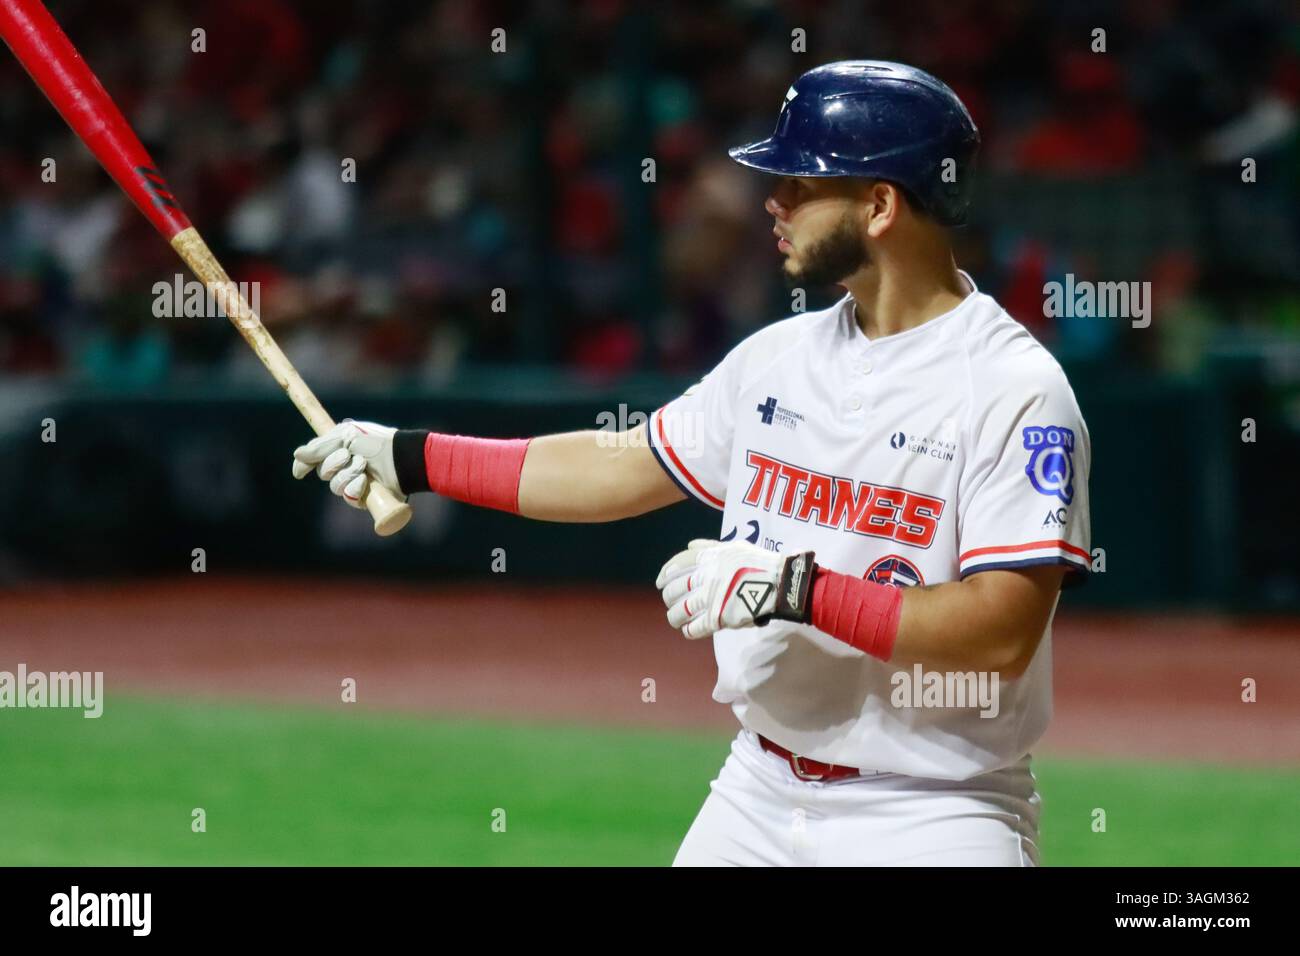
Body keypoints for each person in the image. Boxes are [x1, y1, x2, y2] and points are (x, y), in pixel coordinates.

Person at [291, 61, 1091, 867]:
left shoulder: (1013, 389)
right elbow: (623, 463)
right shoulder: (778, 359)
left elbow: (1000, 632)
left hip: (934, 813)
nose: (774, 204)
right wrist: (413, 456)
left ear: (880, 205)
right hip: (757, 789)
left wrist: (795, 591)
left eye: (802, 185)